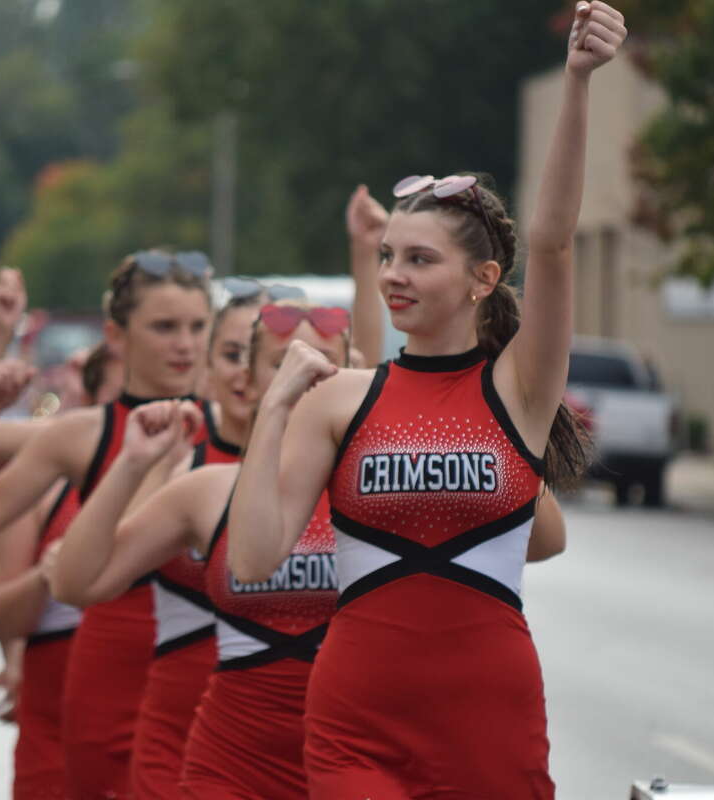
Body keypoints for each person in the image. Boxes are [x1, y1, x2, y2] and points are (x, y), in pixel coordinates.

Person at [225, 4, 621, 795]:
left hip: (489, 716)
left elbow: (549, 241)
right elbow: (252, 559)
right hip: (355, 722)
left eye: (419, 259)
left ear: (482, 281)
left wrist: (577, 85)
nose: (393, 275)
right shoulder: (338, 399)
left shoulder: (520, 388)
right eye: (385, 256)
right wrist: (273, 411)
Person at [51, 300, 571, 798]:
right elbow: (77, 584)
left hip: (363, 755)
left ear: (354, 375)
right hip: (231, 767)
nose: (302, 380)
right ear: (248, 379)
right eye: (283, 365)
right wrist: (133, 463)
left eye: (320, 367)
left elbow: (544, 539)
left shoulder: (387, 486)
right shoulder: (209, 490)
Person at [0, 250, 213, 799]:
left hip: (209, 674)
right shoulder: (81, 435)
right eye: (164, 326)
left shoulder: (237, 426)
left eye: (197, 326)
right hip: (109, 671)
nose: (185, 343)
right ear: (116, 334)